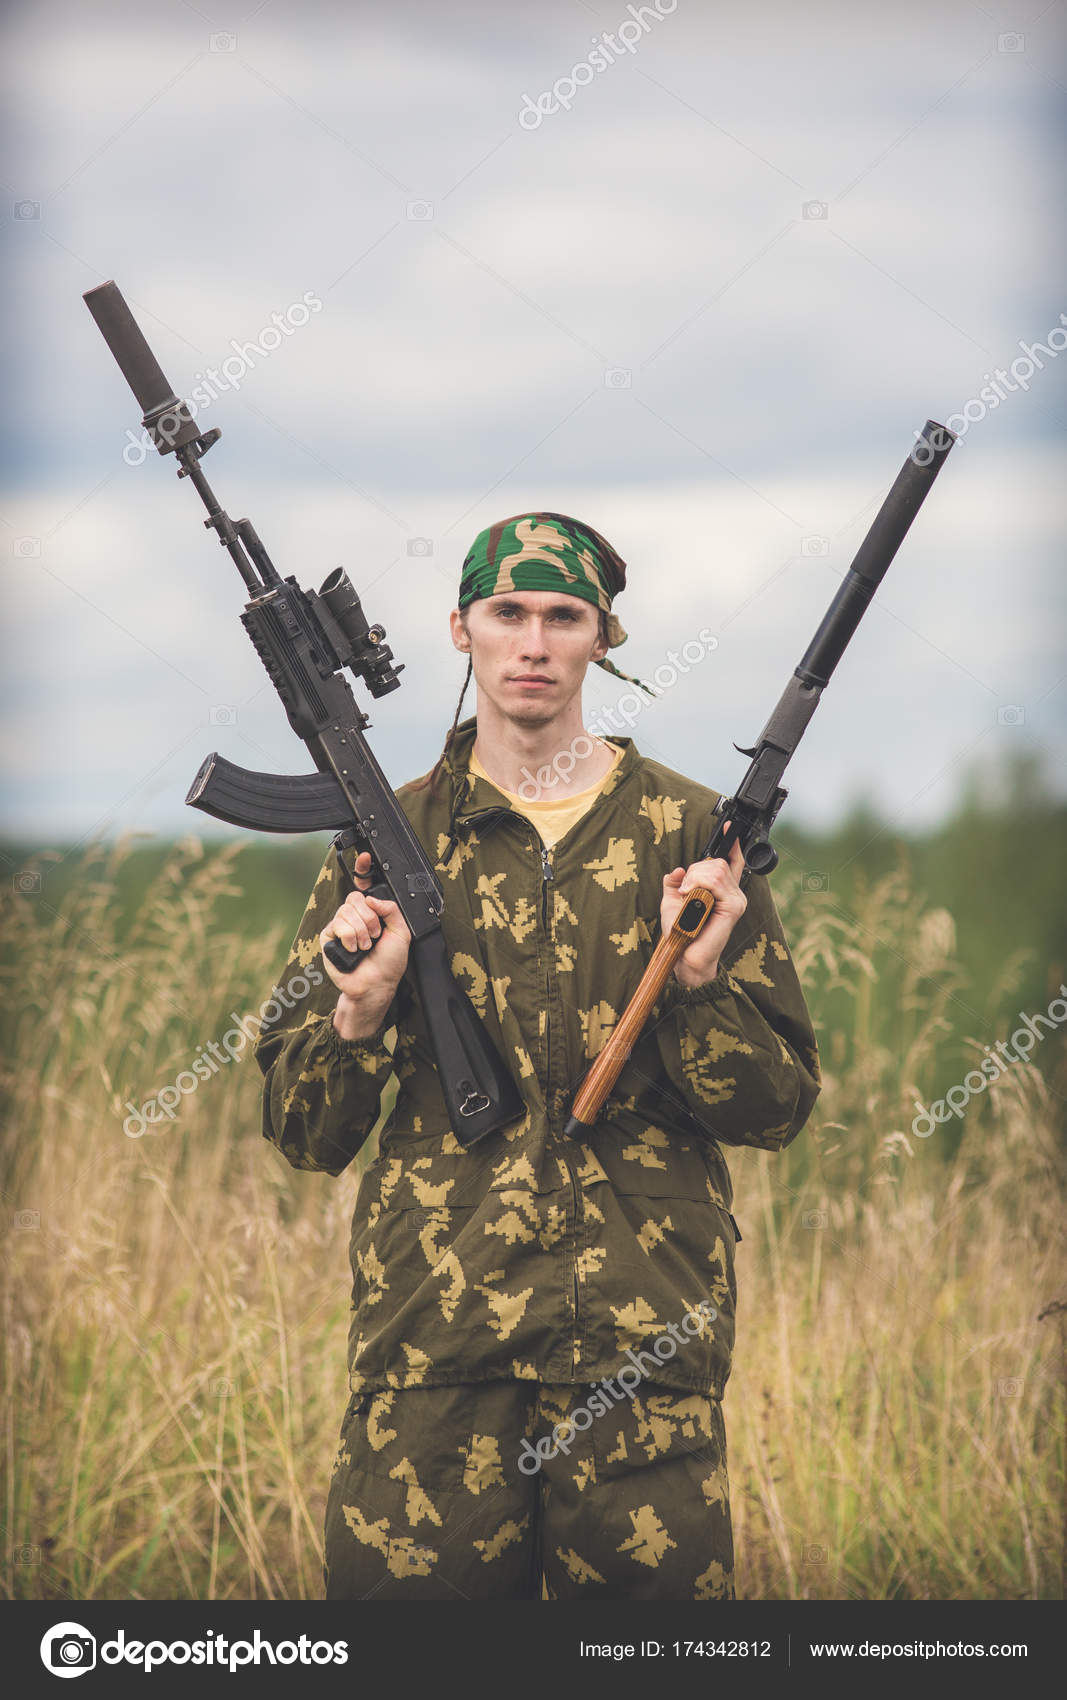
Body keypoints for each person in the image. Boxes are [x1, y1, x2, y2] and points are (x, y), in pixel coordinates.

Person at [253, 511, 821, 1600]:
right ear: (457, 627)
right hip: (432, 1355)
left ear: (601, 637)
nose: (531, 641)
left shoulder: (695, 836)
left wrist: (696, 987)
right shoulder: (383, 838)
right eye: (505, 612)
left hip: (641, 1350)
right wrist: (358, 1014)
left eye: (561, 615)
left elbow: (776, 1106)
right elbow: (299, 1130)